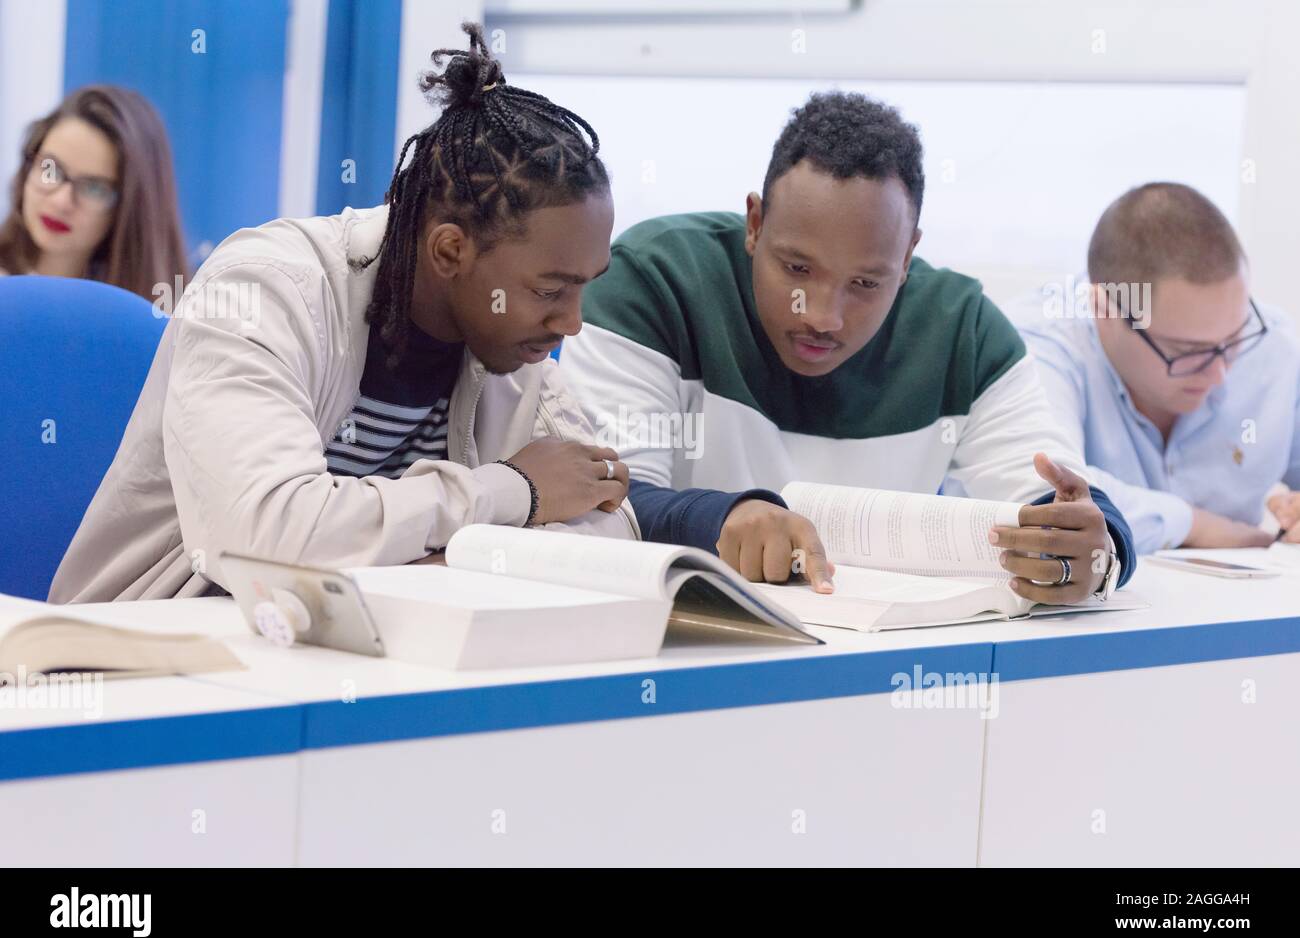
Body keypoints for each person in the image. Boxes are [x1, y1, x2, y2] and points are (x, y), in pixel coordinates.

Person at [49, 23, 635, 603]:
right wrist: (513, 491)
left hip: (342, 660)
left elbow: (611, 519)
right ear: (451, 250)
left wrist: (440, 561)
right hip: (147, 656)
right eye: (552, 289)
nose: (571, 322)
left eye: (583, 287)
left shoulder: (509, 338)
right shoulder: (264, 289)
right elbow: (265, 536)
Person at [561, 91, 1134, 604]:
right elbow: (603, 501)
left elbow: (1067, 505)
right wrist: (722, 516)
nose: (824, 317)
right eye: (797, 267)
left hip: (868, 659)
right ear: (755, 224)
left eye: (866, 283)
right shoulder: (654, 283)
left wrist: (1094, 551)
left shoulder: (964, 331)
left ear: (907, 257)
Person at [1008, 182, 1300, 553]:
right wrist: (1191, 524)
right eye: (1187, 351)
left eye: (1234, 340)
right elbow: (1046, 491)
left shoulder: (1272, 345)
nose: (1220, 374)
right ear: (1105, 309)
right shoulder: (1035, 344)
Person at [0, 85, 188, 298]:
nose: (61, 201)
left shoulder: (155, 318)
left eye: (95, 188)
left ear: (131, 211)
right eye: (50, 169)